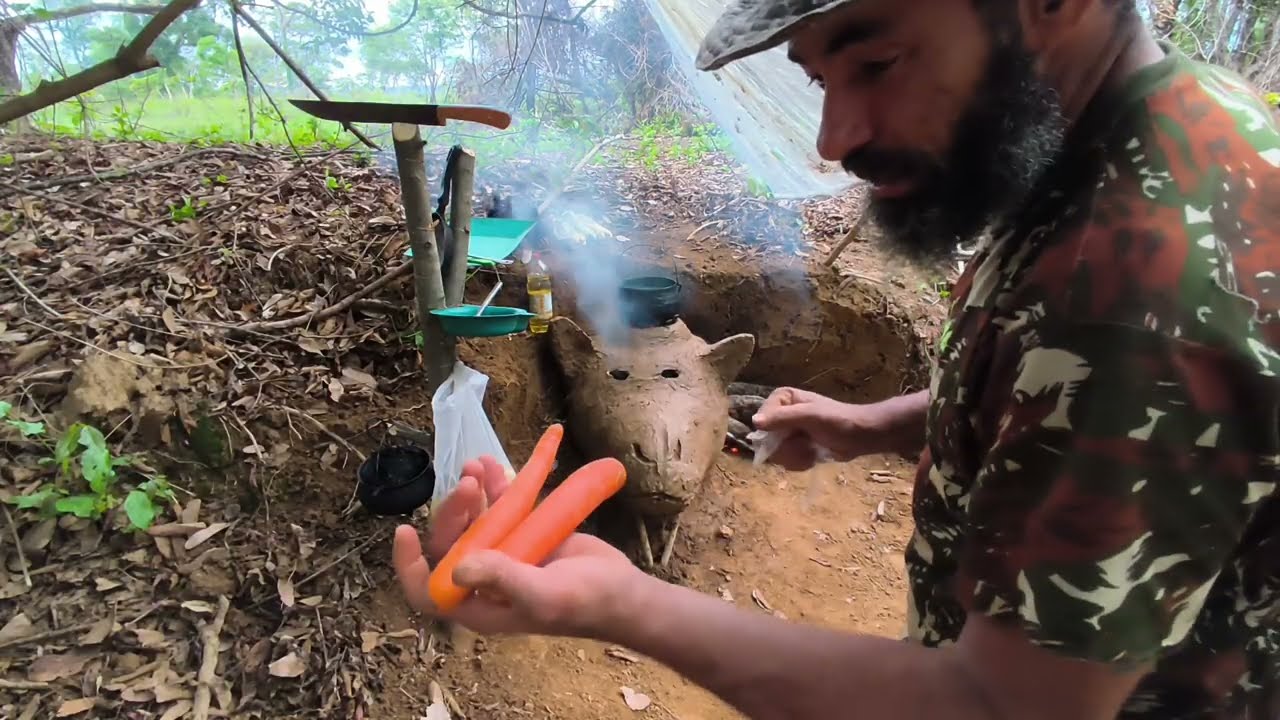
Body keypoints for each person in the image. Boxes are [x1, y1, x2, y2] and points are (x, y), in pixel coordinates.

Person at [394, 0, 1280, 717]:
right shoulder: (1127, 142)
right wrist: (875, 424)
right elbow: (1051, 389)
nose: (831, 137)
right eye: (819, 79)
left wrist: (625, 603)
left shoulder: (1139, 280)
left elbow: (1000, 705)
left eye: (879, 61)